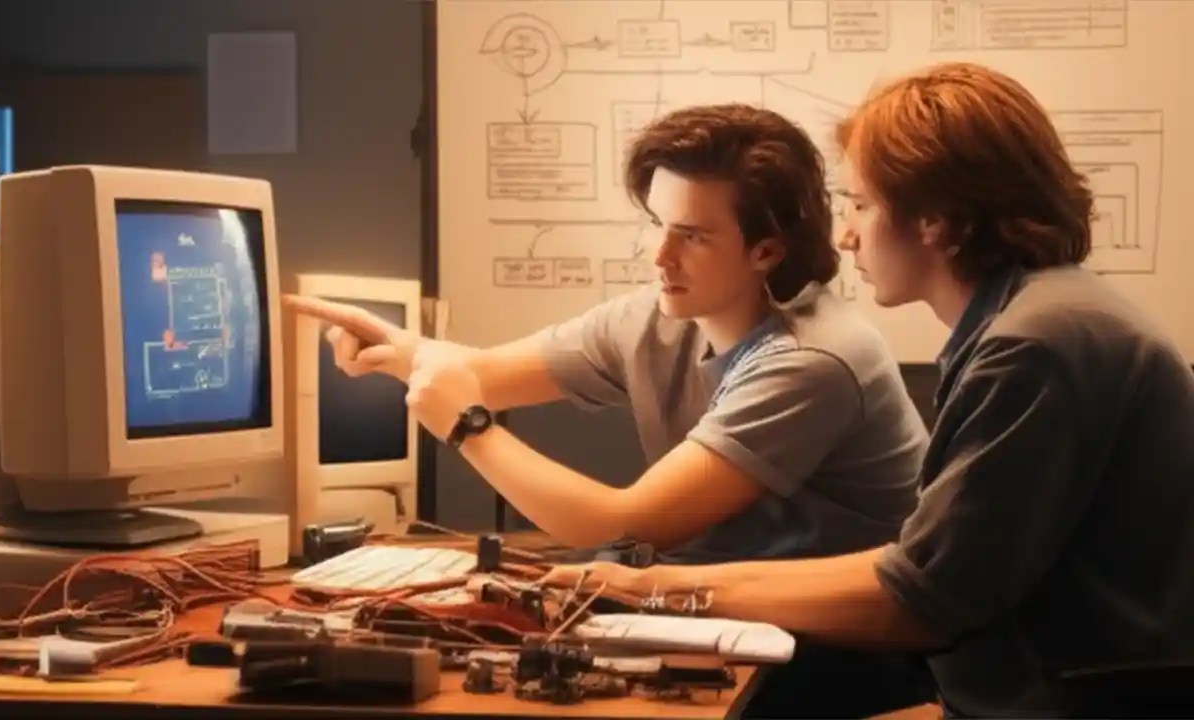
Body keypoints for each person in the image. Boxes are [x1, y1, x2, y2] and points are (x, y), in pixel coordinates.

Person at [542, 62, 1194, 717]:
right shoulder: (1046, 316)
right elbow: (919, 570)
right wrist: (651, 584)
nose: (843, 234)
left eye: (859, 204)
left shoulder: (1036, 346)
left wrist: (651, 588)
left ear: (936, 219)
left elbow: (917, 604)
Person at [286, 103, 927, 567]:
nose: (658, 256)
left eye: (693, 237)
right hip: (721, 606)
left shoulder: (809, 361)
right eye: (657, 223)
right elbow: (482, 371)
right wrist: (390, 349)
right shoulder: (659, 315)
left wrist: (468, 429)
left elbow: (623, 523)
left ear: (767, 250)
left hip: (833, 653)